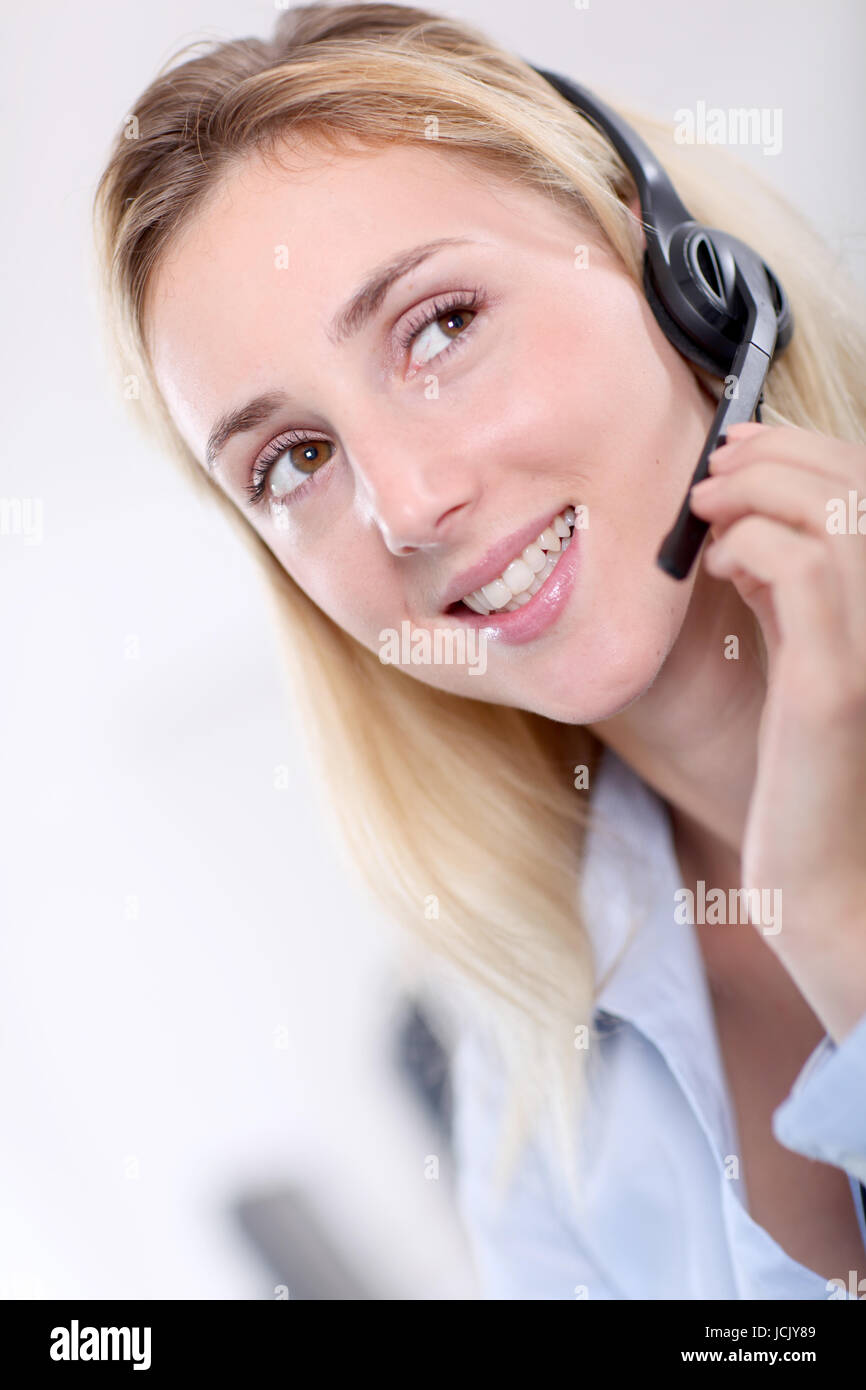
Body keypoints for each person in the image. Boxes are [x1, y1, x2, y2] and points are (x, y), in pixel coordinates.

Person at [92, 1, 866, 1298]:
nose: (404, 502)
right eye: (293, 459)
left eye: (440, 325)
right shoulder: (523, 1071)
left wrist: (840, 928)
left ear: (666, 263)